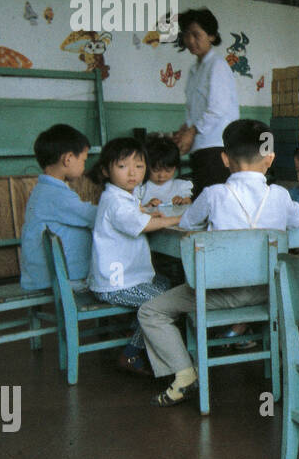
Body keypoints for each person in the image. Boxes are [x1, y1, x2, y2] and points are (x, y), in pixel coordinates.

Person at [138, 119, 299, 406]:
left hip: (220, 294)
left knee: (150, 312)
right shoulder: (281, 195)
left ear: (225, 158)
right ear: (270, 157)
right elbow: (297, 221)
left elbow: (189, 221)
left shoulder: (214, 194)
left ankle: (185, 373)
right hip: (268, 291)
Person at [85, 137, 183, 375]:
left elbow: (135, 214)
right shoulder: (115, 202)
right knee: (163, 302)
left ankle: (136, 329)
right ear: (105, 170)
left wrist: (145, 212)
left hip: (124, 278)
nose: (133, 173)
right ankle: (130, 353)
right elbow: (143, 225)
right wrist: (178, 219)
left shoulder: (121, 197)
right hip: (116, 284)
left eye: (139, 166)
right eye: (122, 166)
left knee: (166, 283)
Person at [171, 9, 240, 197]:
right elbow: (194, 111)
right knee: (202, 200)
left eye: (196, 34)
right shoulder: (195, 69)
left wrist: (191, 132)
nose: (191, 40)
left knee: (214, 203)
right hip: (201, 147)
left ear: (211, 36)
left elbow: (218, 108)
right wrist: (183, 131)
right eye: (186, 34)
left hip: (217, 147)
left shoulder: (217, 65)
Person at [19, 124, 95, 293]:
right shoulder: (56, 194)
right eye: (83, 160)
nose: (84, 165)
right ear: (68, 158)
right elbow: (93, 216)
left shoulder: (44, 189)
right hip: (57, 280)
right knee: (115, 282)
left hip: (41, 275)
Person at [135, 136, 192, 207]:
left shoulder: (181, 186)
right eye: (155, 170)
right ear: (146, 166)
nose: (161, 175)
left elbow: (189, 204)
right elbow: (134, 212)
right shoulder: (141, 188)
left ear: (175, 168)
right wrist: (147, 207)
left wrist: (182, 202)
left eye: (168, 170)